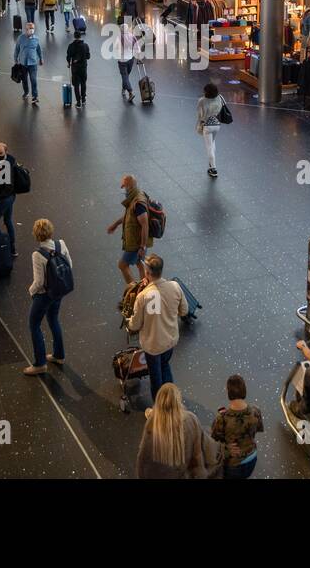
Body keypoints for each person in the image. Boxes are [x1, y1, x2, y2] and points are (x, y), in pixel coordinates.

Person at [126, 253, 188, 401]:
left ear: (147, 273)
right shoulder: (175, 287)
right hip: (170, 340)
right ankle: (172, 401)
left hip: (152, 345)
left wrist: (129, 322)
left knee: (155, 376)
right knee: (165, 366)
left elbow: (135, 324)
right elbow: (184, 311)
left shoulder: (143, 296)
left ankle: (159, 410)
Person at [23, 218, 72, 376]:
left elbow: (39, 282)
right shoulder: (61, 244)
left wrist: (30, 291)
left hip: (44, 295)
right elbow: (69, 265)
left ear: (36, 235)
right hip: (59, 291)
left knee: (34, 325)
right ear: (51, 230)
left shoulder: (38, 255)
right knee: (53, 319)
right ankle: (59, 355)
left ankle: (40, 364)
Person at [135, 384, 208, 479]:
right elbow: (198, 450)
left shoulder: (152, 426)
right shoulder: (191, 419)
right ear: (178, 401)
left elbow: (143, 460)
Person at [211, 375, 264, 480]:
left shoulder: (222, 418)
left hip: (233, 465)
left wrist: (226, 448)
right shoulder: (256, 411)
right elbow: (258, 429)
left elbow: (214, 441)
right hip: (252, 459)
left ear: (228, 391)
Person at [108, 173, 153, 285]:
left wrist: (142, 246)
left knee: (122, 265)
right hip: (139, 241)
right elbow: (130, 217)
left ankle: (134, 291)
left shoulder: (138, 203)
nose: (122, 189)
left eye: (124, 186)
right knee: (139, 262)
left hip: (136, 242)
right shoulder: (135, 197)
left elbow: (145, 225)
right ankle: (144, 286)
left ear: (130, 186)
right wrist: (116, 224)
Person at [195, 82, 226, 178]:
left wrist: (200, 123)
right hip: (217, 124)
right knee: (212, 143)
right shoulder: (220, 97)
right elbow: (223, 107)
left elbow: (200, 114)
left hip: (207, 126)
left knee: (209, 147)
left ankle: (213, 168)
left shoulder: (202, 100)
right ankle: (211, 163)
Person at [14, 20, 44, 105]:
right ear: (26, 29)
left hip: (33, 63)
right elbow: (17, 49)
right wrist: (15, 58)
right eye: (30, 29)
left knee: (33, 80)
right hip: (23, 63)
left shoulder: (36, 39)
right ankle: (26, 92)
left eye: (33, 29)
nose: (31, 30)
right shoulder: (21, 38)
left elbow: (39, 49)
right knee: (24, 80)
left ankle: (35, 96)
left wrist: (41, 58)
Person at [66, 28, 90, 108]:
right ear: (80, 36)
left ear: (74, 36)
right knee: (83, 83)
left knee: (76, 85)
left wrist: (69, 63)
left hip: (75, 69)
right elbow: (88, 56)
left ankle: (78, 102)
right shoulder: (85, 46)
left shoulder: (71, 46)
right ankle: (83, 100)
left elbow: (68, 57)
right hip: (83, 68)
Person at [117, 20, 139, 104]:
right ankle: (123, 89)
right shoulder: (132, 36)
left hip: (122, 60)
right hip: (130, 59)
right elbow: (137, 47)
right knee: (126, 75)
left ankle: (130, 92)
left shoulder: (119, 37)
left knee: (125, 76)